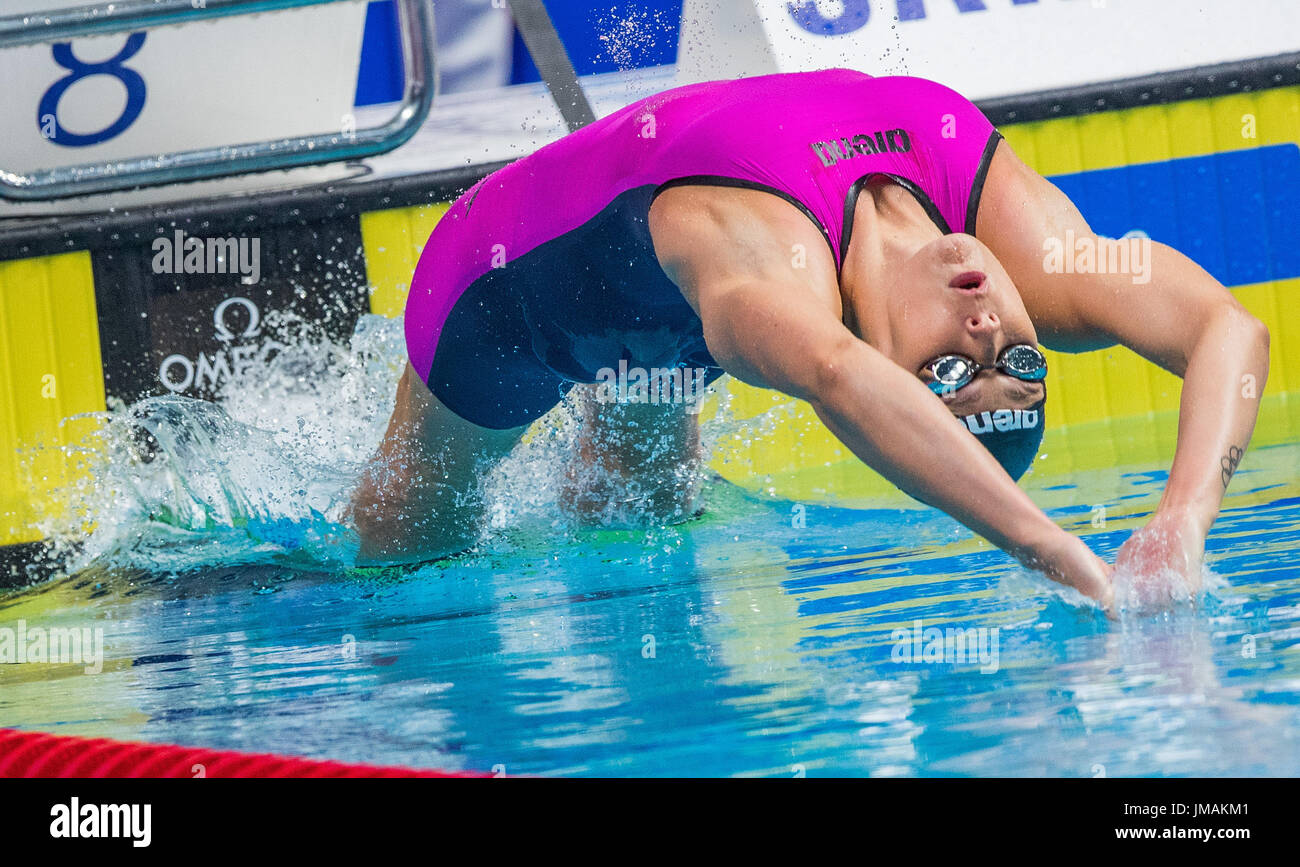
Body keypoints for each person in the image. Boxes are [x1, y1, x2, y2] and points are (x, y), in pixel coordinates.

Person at [347, 68, 1270, 609]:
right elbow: (1227, 326)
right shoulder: (1016, 246)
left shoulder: (774, 288)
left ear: (889, 365)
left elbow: (832, 372)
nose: (988, 325)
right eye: (1018, 366)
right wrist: (1151, 530)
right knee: (429, 537)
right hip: (511, 290)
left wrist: (1091, 544)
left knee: (604, 541)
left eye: (954, 368)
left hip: (575, 301)